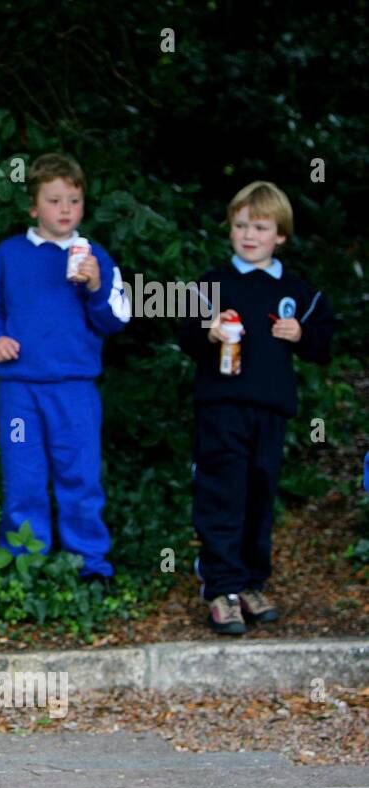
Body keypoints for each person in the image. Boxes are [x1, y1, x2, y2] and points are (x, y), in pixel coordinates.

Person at [178, 181, 338, 634]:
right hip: (221, 407)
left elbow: (325, 340)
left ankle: (251, 582)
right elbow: (184, 333)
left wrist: (302, 336)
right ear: (230, 228)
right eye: (242, 225)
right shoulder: (212, 283)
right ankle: (221, 588)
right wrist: (207, 334)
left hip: (270, 410)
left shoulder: (295, 290)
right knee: (222, 493)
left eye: (261, 227)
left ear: (280, 235)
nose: (250, 235)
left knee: (259, 496)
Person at [0, 152, 130, 583]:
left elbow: (117, 318)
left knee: (80, 476)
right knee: (24, 477)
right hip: (20, 389)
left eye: (73, 201)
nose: (64, 210)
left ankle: (89, 563)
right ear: (33, 206)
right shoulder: (9, 255)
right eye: (54, 200)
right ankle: (25, 561)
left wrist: (95, 285)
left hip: (75, 389)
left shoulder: (94, 257)